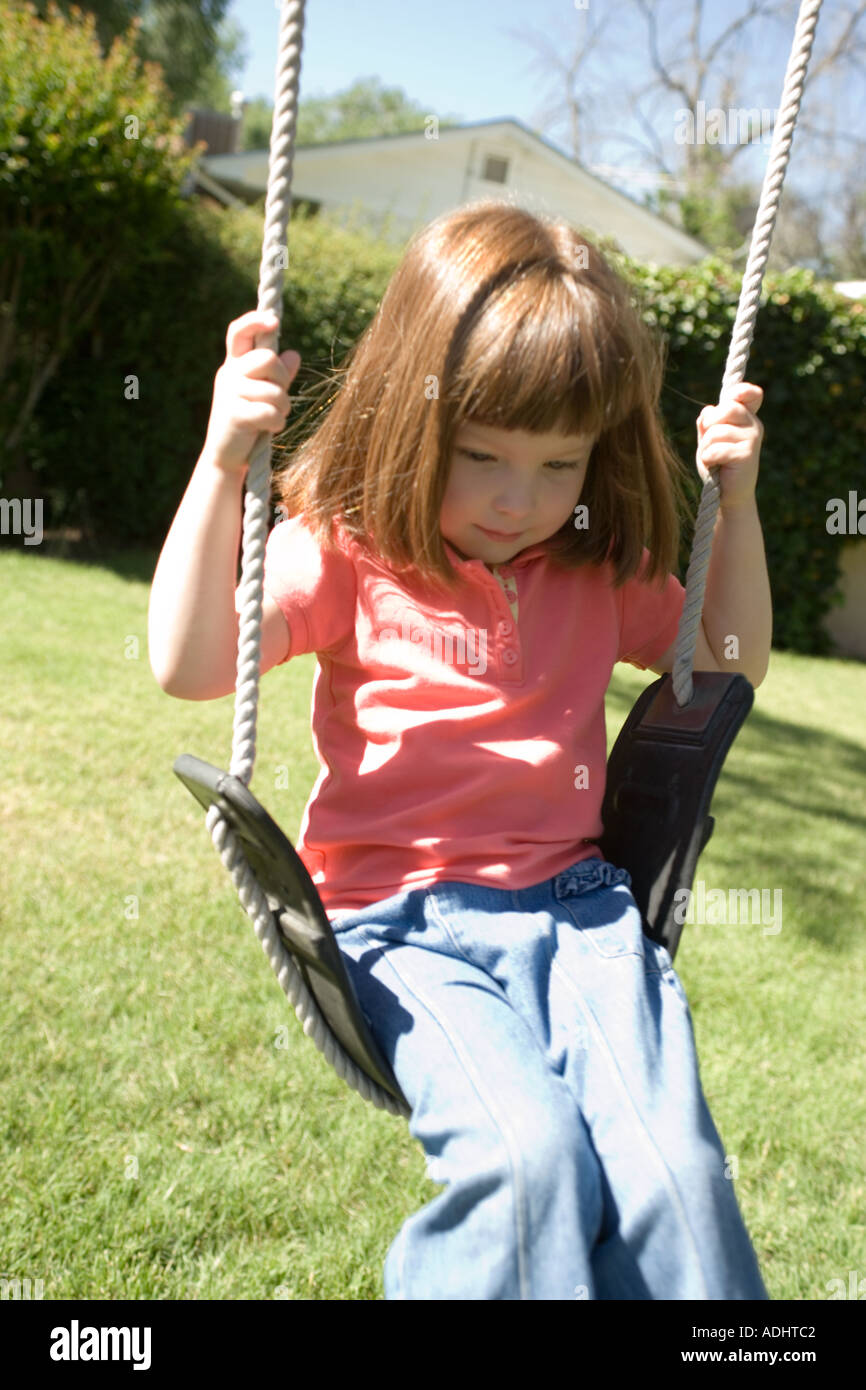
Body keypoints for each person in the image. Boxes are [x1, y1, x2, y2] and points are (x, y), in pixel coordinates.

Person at [149, 200, 772, 1301]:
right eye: (480, 454)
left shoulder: (592, 568)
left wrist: (738, 501)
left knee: (675, 1176)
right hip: (402, 924)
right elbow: (191, 659)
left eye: (556, 464)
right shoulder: (347, 547)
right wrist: (216, 461)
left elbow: (724, 663)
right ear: (410, 416)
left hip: (582, 919)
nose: (513, 500)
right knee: (525, 1159)